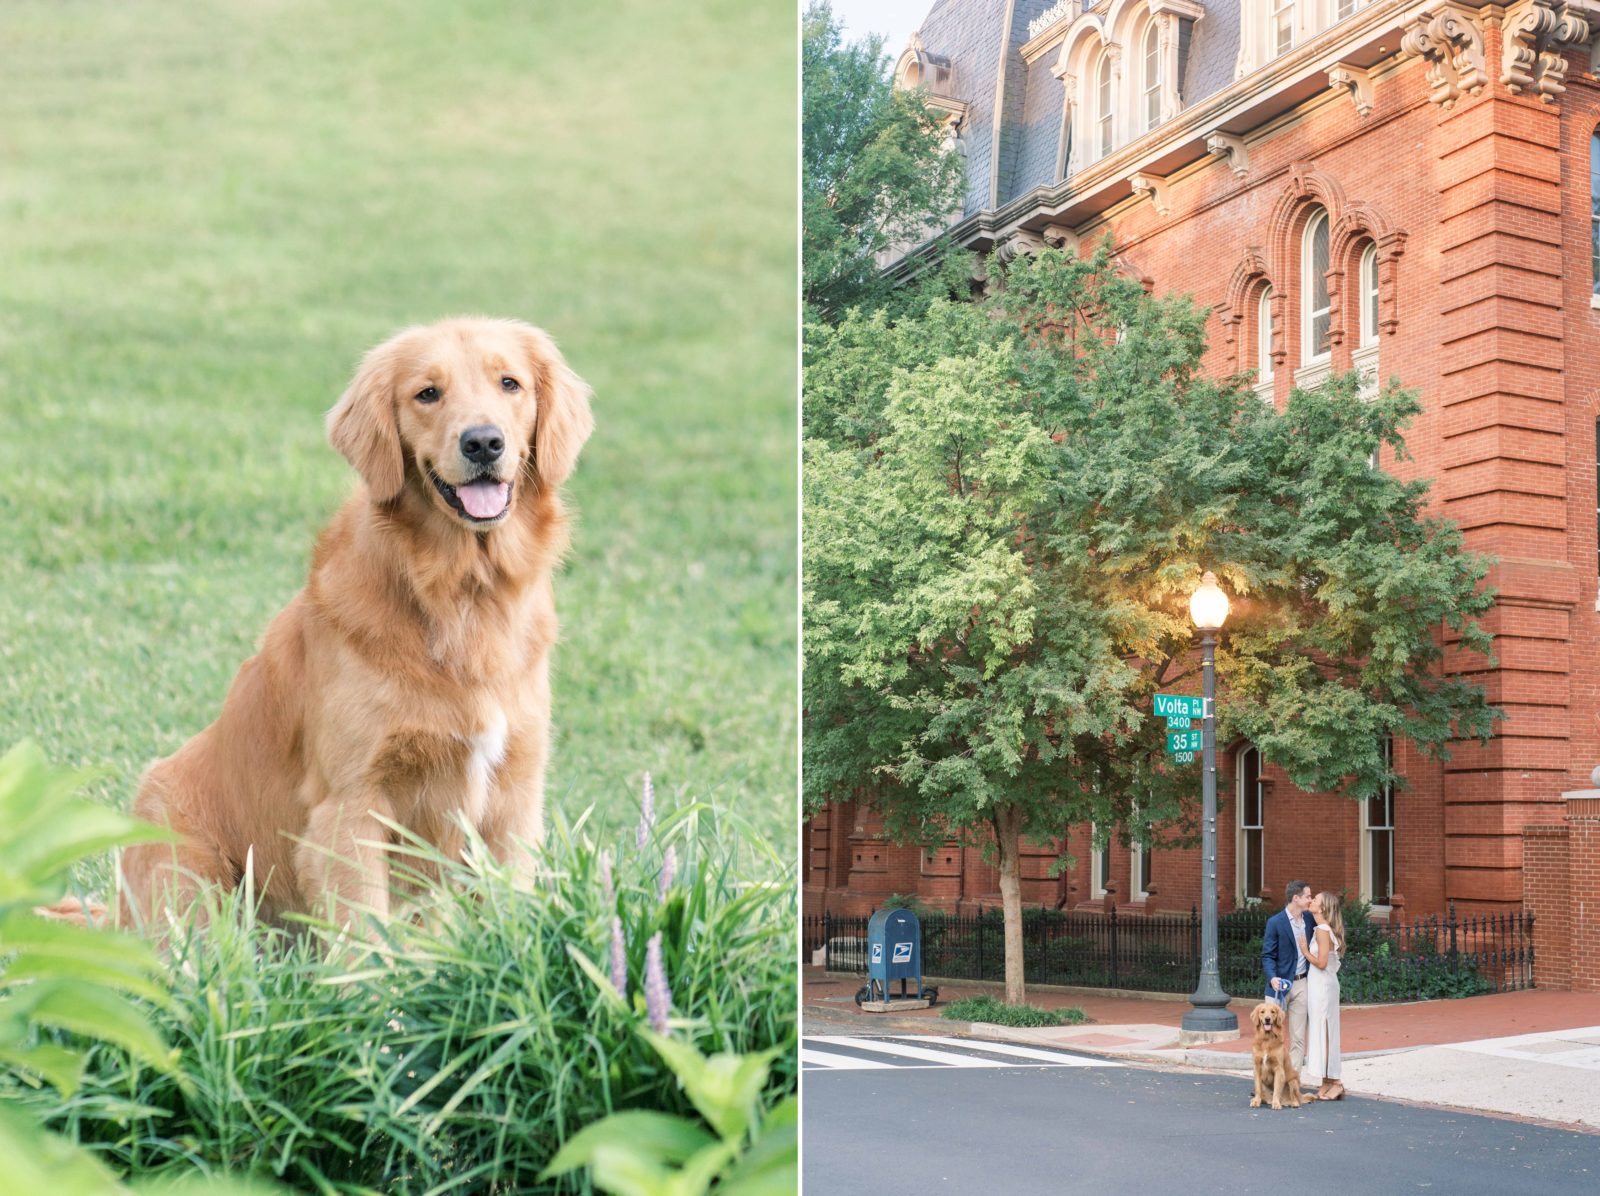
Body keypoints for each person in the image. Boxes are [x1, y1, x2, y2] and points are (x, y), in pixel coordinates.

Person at [1261, 878, 1318, 1096]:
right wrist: (1272, 977)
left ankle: (1290, 1083)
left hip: (1302, 983)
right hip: (1278, 987)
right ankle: (1267, 1083)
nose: (1310, 899)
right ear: (1296, 898)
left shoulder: (1310, 921)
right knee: (1271, 1037)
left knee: (1297, 1037)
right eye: (1307, 896)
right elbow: (1267, 955)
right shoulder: (1275, 922)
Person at [1303, 890, 1346, 1101]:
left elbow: (1321, 963)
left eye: (1315, 900)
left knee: (1325, 1031)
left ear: (1322, 908)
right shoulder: (1323, 929)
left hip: (1323, 987)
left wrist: (1304, 951)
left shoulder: (1321, 929)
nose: (1311, 901)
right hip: (1321, 985)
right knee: (1322, 1030)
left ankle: (1336, 1082)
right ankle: (1325, 1081)